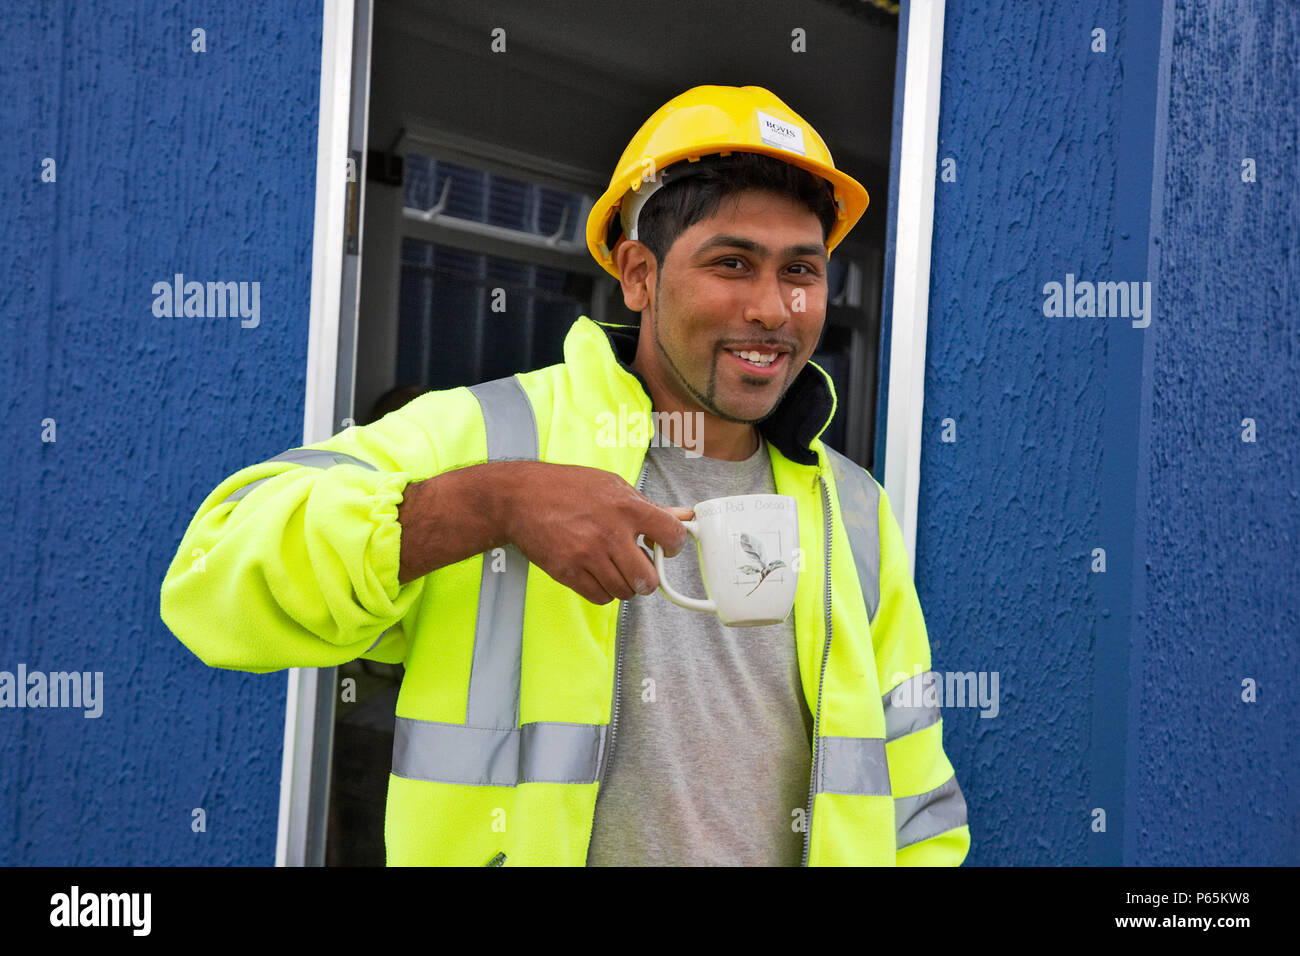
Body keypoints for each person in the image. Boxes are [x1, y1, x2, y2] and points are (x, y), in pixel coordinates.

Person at [160, 84, 970, 866]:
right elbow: (210, 577)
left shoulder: (856, 509)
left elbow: (916, 801)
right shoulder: (489, 437)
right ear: (640, 275)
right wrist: (490, 503)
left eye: (801, 270)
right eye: (733, 263)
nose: (773, 309)